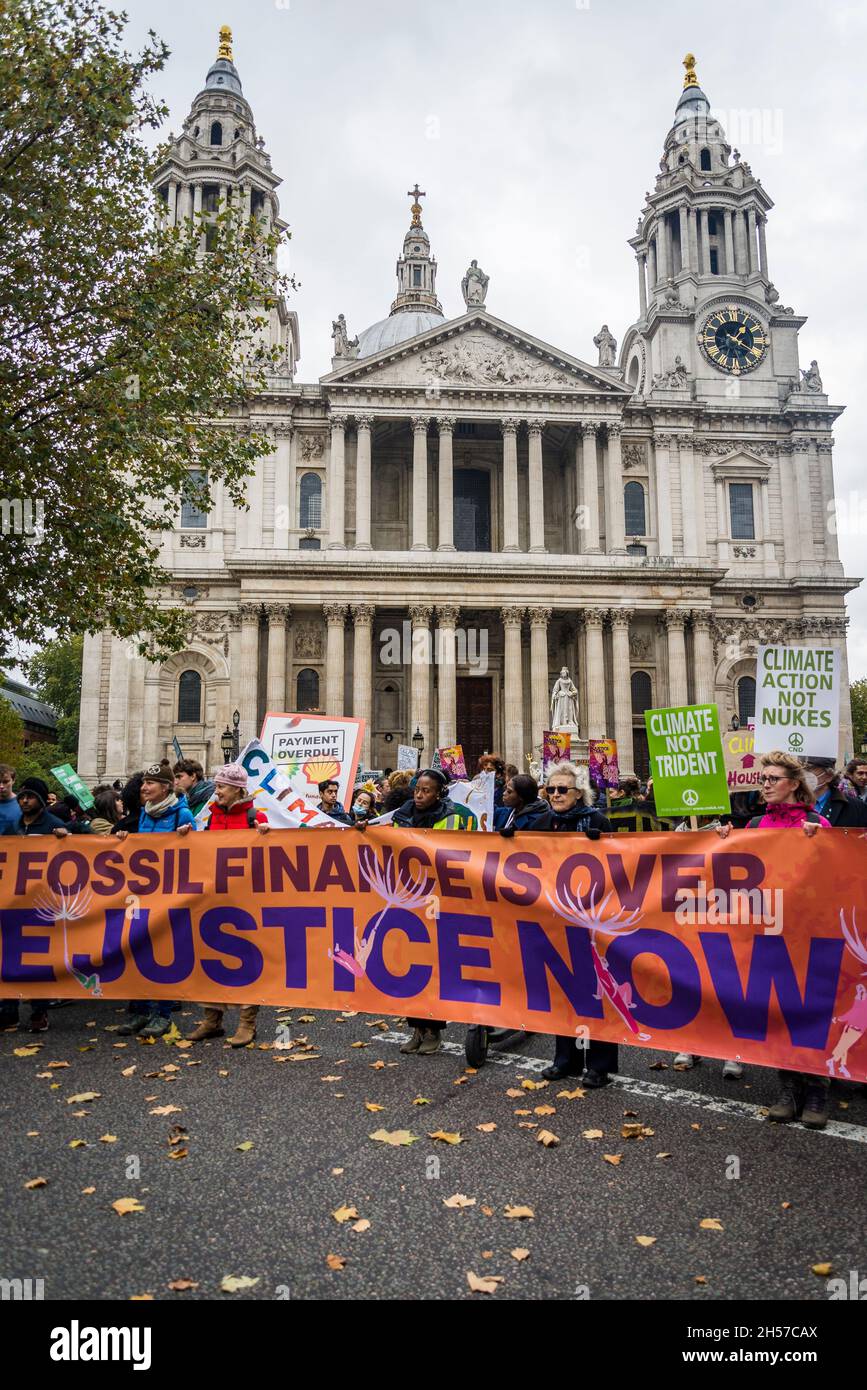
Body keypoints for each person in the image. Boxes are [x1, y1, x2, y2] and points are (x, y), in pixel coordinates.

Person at [715, 751, 831, 1128]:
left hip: (810, 935)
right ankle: (788, 1087)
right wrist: (721, 842)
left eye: (772, 778)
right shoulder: (754, 825)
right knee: (780, 1010)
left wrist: (820, 844)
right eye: (762, 778)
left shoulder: (818, 824)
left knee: (809, 1011)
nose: (764, 784)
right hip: (767, 934)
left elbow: (838, 879)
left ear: (794, 784)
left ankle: (816, 1090)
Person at [539, 764, 616, 1086]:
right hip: (555, 917)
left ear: (579, 793)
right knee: (563, 990)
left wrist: (604, 844)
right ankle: (565, 1059)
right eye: (551, 790)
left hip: (592, 918)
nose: (556, 795)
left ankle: (599, 1065)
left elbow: (620, 864)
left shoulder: (596, 821)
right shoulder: (542, 823)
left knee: (598, 990)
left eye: (562, 790)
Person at [393, 769, 477, 1056]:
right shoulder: (400, 816)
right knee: (409, 965)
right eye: (417, 789)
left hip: (441, 900)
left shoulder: (458, 816)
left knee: (433, 966)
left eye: (426, 790)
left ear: (440, 792)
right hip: (408, 898)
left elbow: (472, 851)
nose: (418, 795)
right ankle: (416, 1028)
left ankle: (433, 1030)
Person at [185, 764, 270, 1047]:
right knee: (211, 957)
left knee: (246, 959)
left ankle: (248, 1022)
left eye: (221, 786)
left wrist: (267, 836)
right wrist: (186, 837)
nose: (216, 791)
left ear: (237, 789)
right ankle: (212, 1019)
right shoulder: (212, 816)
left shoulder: (254, 816)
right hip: (216, 898)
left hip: (246, 900)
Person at [115, 765, 197, 1037]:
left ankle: (161, 1014)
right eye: (143, 783)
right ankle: (140, 1011)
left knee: (163, 954)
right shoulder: (144, 815)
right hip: (143, 894)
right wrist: (125, 840)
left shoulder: (181, 813)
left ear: (165, 787)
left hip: (168, 894)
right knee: (139, 950)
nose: (143, 787)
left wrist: (189, 838)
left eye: (150, 783)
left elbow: (200, 852)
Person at [0, 778, 70, 1032]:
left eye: (29, 797)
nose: (24, 801)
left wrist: (67, 838)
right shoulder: (15, 826)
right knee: (10, 958)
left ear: (40, 801)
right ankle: (9, 1012)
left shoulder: (54, 826)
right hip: (15, 903)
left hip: (43, 904)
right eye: (22, 797)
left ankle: (39, 1012)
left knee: (39, 960)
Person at [801, 756, 867, 827]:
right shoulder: (791, 802)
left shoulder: (857, 809)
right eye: (802, 770)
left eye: (809, 769)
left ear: (829, 776)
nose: (804, 775)